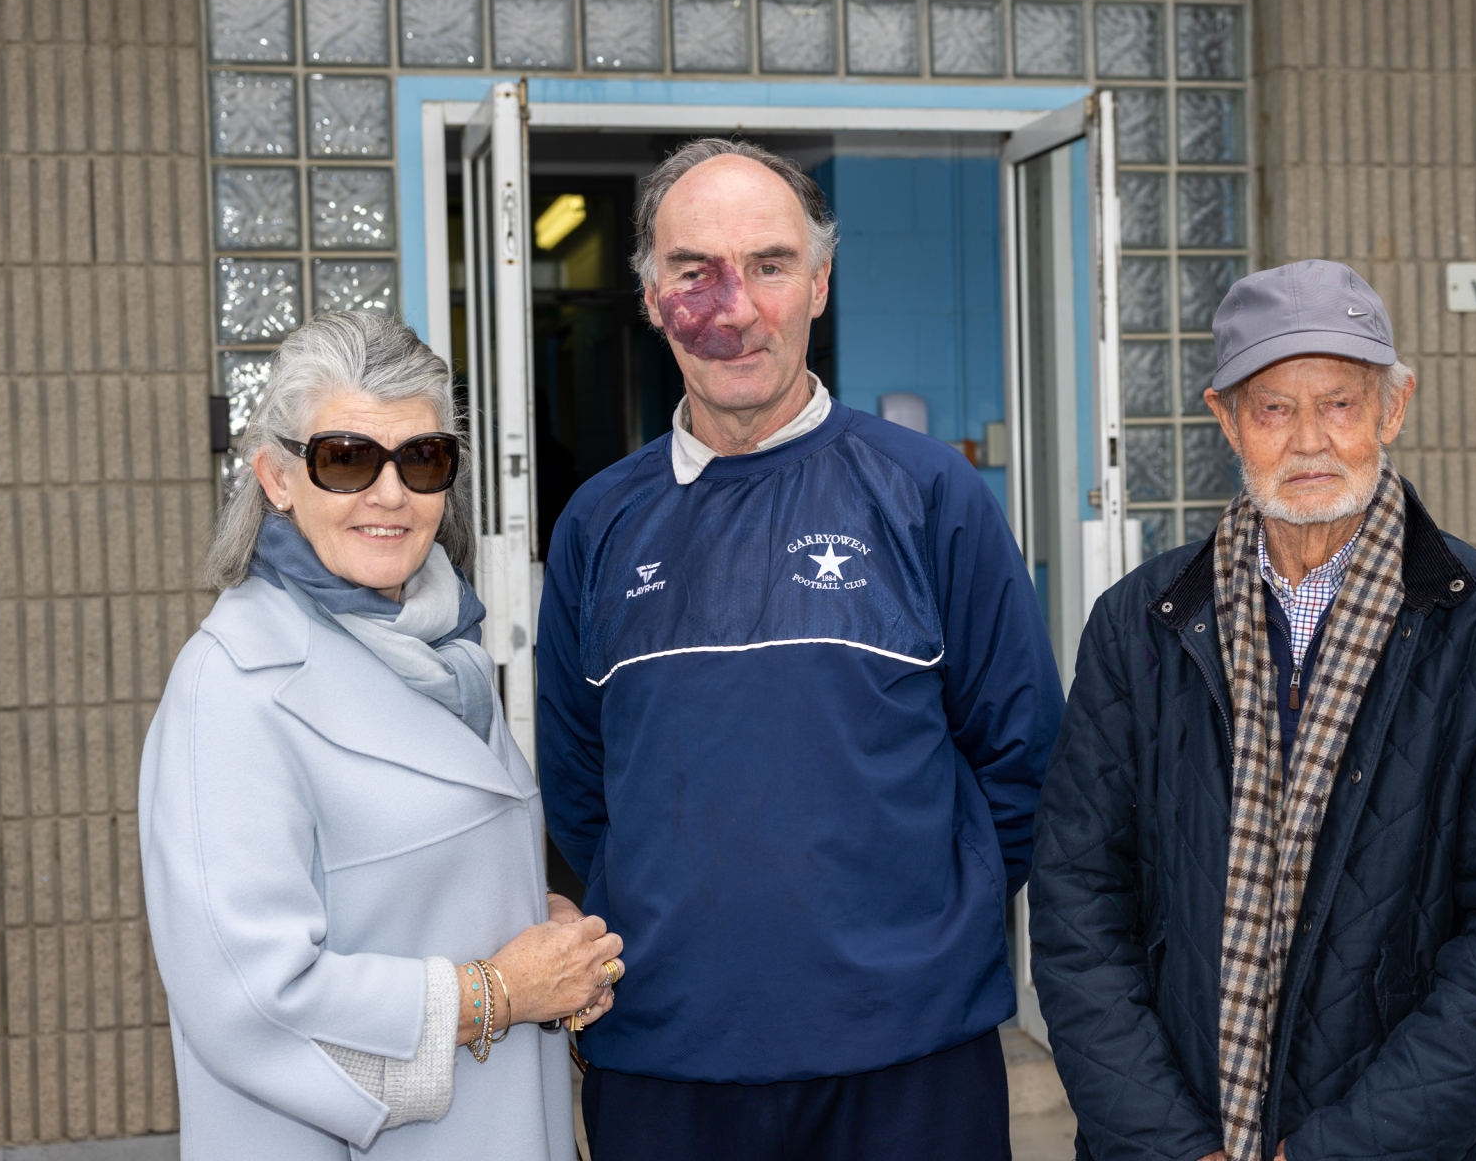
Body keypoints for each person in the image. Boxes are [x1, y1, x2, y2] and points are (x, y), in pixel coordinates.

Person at [536, 138, 1064, 1161]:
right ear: (650, 299)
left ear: (819, 283)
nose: (732, 307)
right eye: (694, 271)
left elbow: (1025, 753)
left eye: (770, 264)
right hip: (666, 1061)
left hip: (910, 1062)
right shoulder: (598, 525)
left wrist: (920, 932)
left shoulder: (930, 496)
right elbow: (579, 786)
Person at [1031, 260, 1476, 1161]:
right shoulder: (1139, 623)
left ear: (1392, 410)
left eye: (1338, 403)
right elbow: (1077, 902)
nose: (1309, 442)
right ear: (1226, 420)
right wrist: (1169, 1145)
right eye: (1273, 409)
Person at [140, 313, 624, 1158]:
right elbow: (252, 1002)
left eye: (423, 458)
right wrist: (499, 993)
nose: (389, 494)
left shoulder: (444, 649)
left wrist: (530, 920)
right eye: (346, 458)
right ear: (278, 479)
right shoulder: (230, 690)